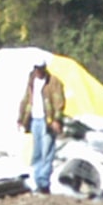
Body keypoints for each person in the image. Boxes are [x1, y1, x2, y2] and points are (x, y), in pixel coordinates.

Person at [17, 57, 65, 194]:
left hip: (47, 120)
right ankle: (38, 181)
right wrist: (21, 118)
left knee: (47, 151)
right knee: (37, 152)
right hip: (34, 120)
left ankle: (44, 183)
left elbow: (59, 102)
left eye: (40, 68)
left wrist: (56, 119)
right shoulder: (31, 81)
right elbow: (26, 99)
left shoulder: (53, 82)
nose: (38, 71)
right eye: (36, 68)